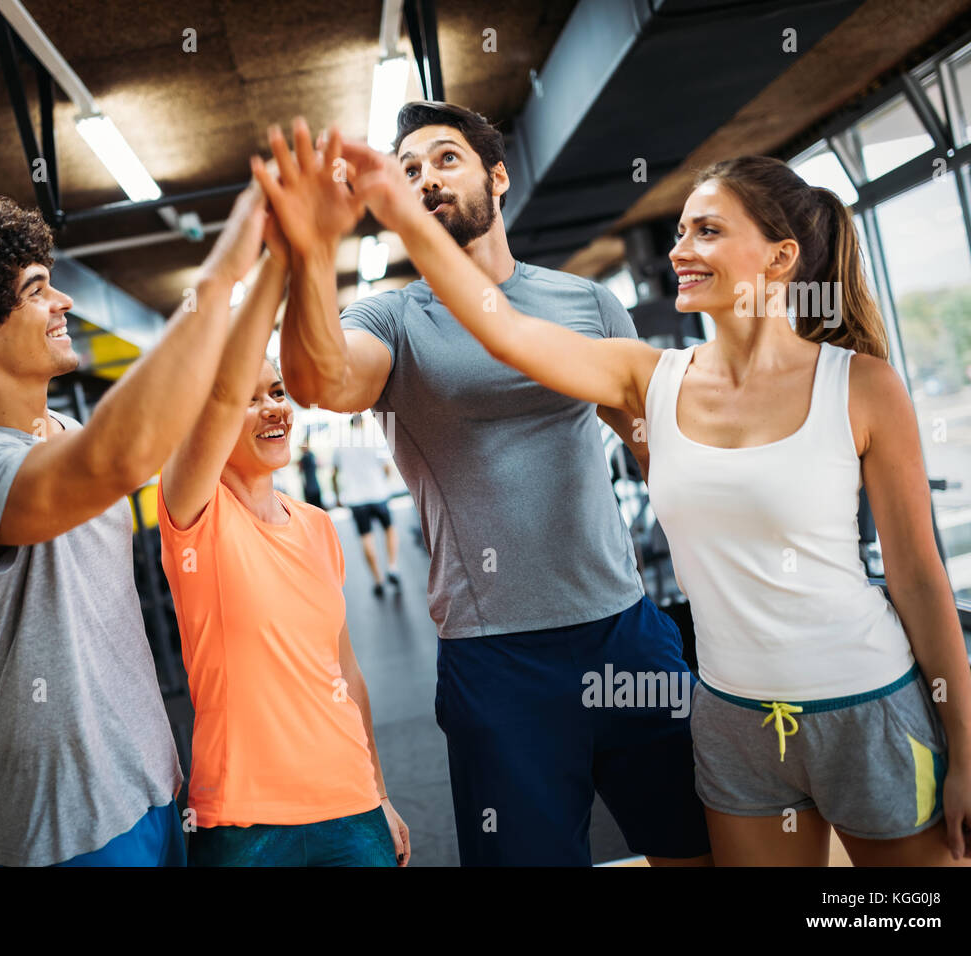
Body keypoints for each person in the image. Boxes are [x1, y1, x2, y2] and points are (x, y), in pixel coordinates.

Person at [336, 142, 971, 865]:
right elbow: (505, 328)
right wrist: (405, 211)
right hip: (732, 719)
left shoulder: (863, 386)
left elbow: (921, 580)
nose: (680, 248)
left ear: (779, 258)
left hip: (866, 703)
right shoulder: (647, 376)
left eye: (707, 231)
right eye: (681, 230)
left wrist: (968, 758)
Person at [256, 105, 711, 866]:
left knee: (696, 848)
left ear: (497, 178)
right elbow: (320, 380)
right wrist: (310, 250)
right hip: (499, 663)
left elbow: (653, 452)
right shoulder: (394, 317)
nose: (426, 178)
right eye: (406, 171)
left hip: (625, 633)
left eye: (445, 159)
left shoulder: (588, 303)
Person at [0, 185, 272, 866]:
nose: (62, 302)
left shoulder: (64, 430)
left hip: (150, 782)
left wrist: (280, 261)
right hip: (66, 824)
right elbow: (120, 456)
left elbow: (201, 408)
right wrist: (221, 270)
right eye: (36, 290)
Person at [156, 206, 409, 867]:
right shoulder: (194, 515)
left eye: (278, 392)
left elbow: (346, 674)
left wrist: (379, 791)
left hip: (350, 804)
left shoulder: (319, 527)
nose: (273, 407)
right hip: (246, 823)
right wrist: (281, 259)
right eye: (250, 395)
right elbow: (214, 404)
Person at [331, 414, 401, 596]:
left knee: (366, 537)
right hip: (378, 493)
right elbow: (386, 467)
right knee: (389, 529)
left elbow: (334, 473)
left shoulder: (341, 444)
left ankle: (378, 579)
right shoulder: (374, 439)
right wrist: (383, 481)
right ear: (363, 422)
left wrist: (338, 495)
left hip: (356, 499)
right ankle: (392, 567)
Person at [297, 438, 324, 509]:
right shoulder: (311, 455)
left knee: (313, 509)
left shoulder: (306, 457)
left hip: (310, 488)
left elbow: (300, 470)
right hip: (313, 486)